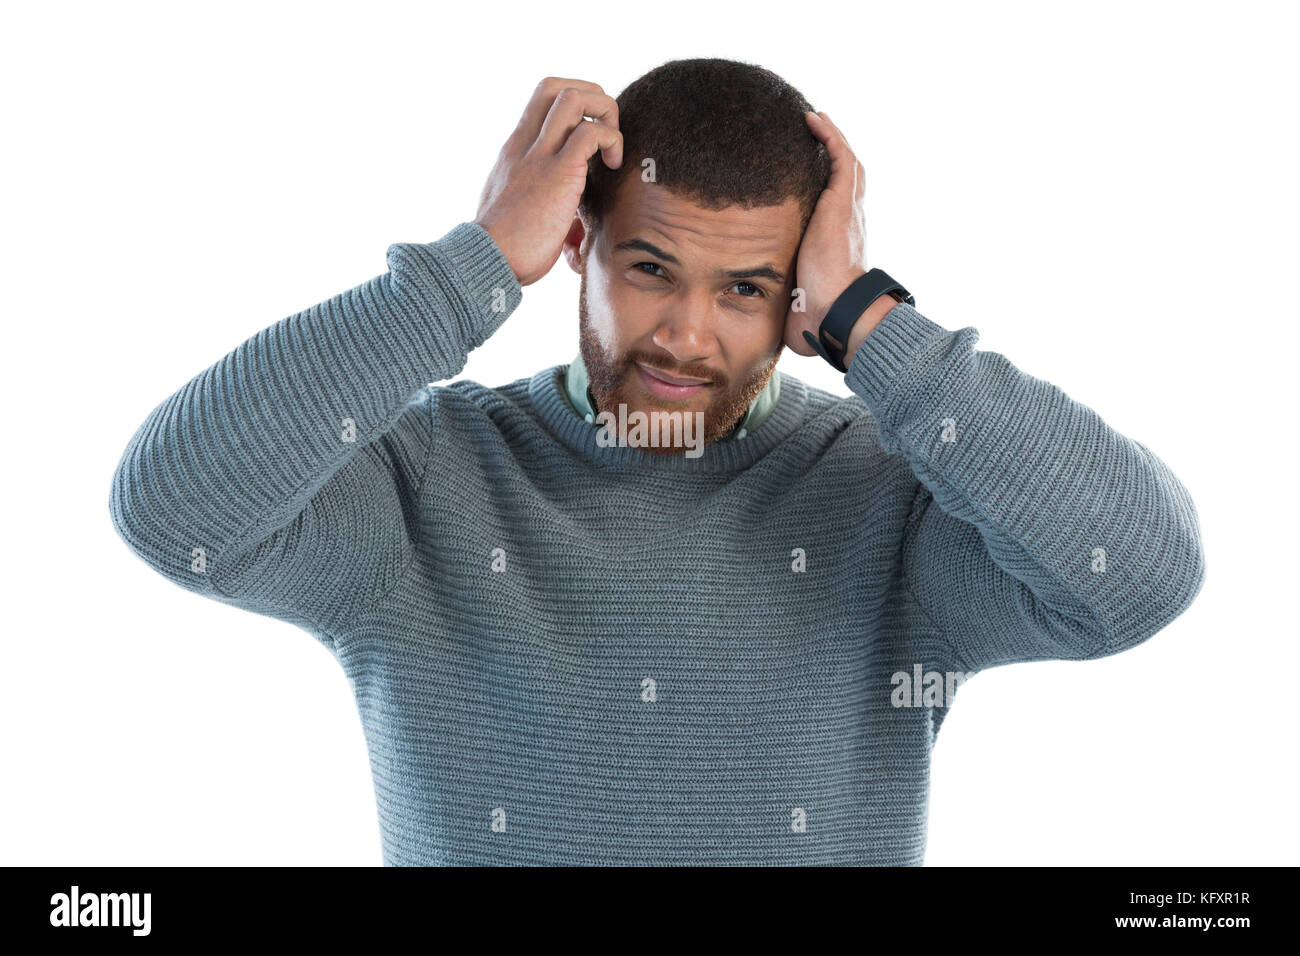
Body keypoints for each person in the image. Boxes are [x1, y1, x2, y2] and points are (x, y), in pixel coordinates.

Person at [108, 58, 1206, 865]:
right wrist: (468, 267)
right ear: (575, 246)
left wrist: (875, 322)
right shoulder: (426, 478)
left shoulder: (893, 495)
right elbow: (172, 509)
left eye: (745, 289)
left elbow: (1142, 577)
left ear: (798, 296)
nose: (686, 334)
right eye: (648, 265)